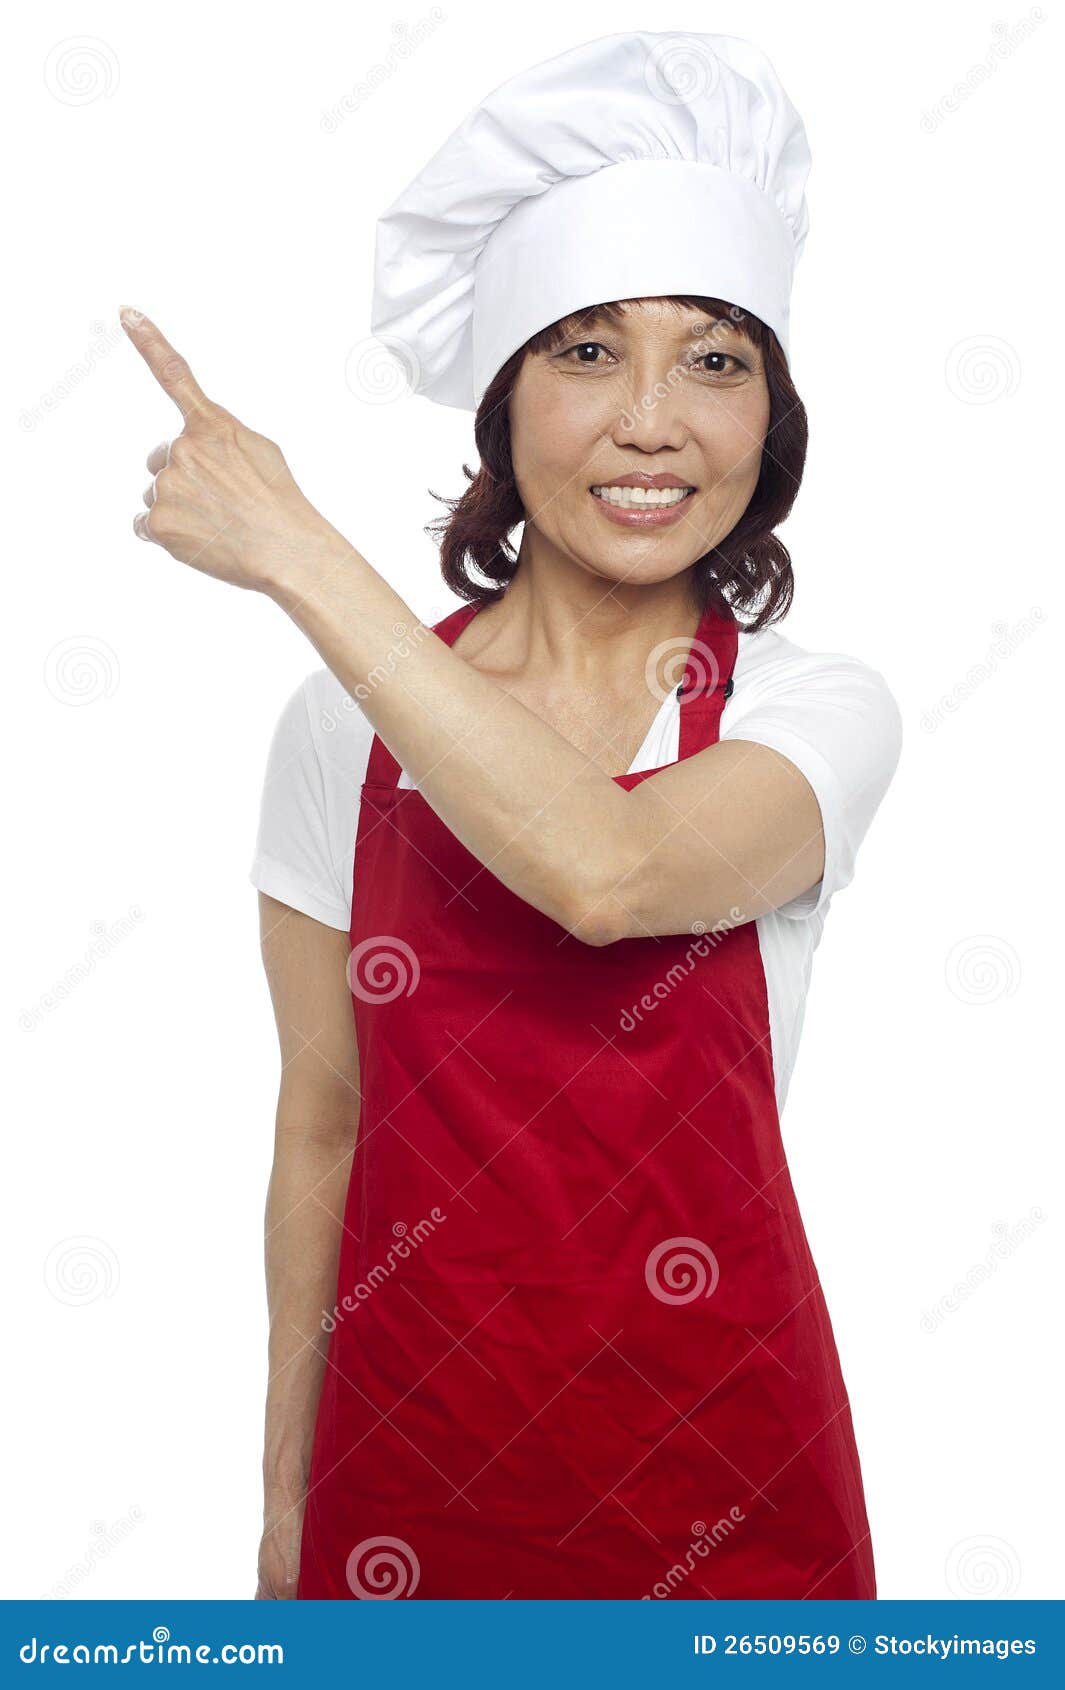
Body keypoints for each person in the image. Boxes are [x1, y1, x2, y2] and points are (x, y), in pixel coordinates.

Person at [123, 30, 902, 1601]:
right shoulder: (341, 722)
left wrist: (294, 549)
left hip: (730, 1486)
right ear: (499, 398)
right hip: (406, 1491)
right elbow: (322, 1128)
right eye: (587, 351)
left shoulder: (812, 712)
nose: (652, 422)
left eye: (715, 358)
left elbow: (606, 874)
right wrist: (284, 1509)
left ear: (770, 418)